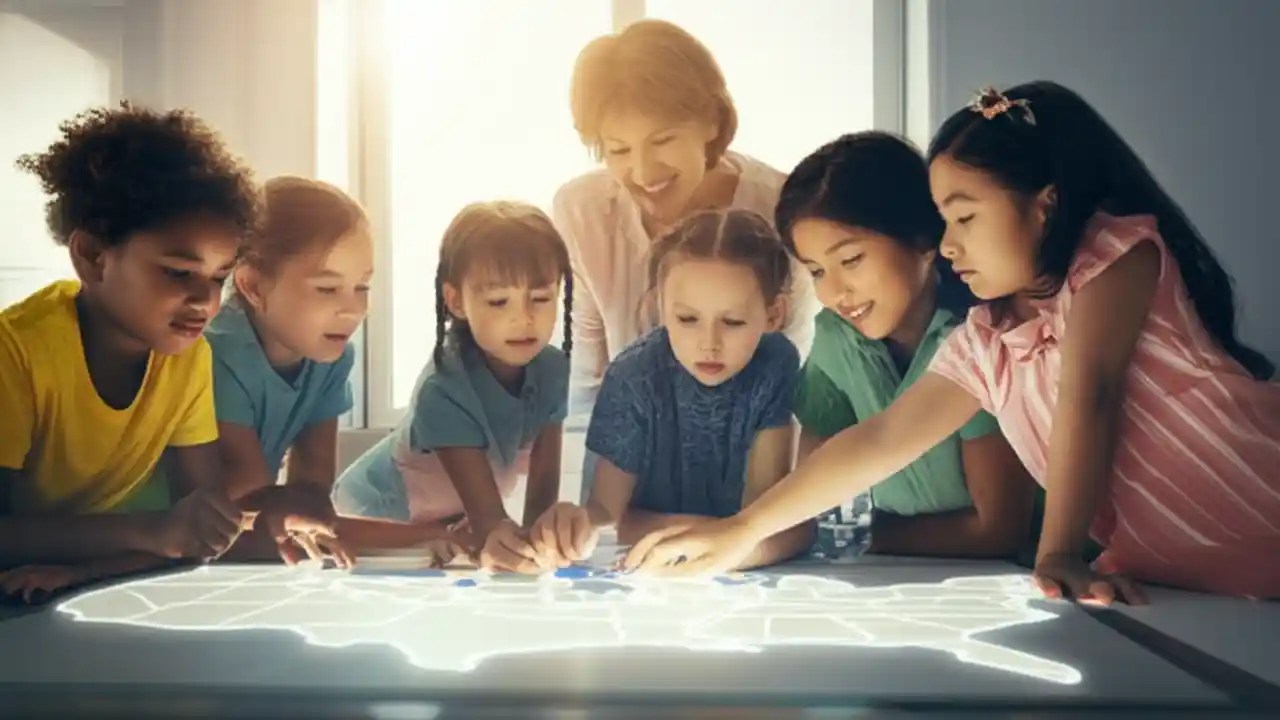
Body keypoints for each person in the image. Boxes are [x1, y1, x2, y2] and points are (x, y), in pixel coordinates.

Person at [620, 82, 1280, 604]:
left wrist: (1058, 556)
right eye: (942, 221)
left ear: (1044, 204)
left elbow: (1092, 393)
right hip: (1199, 586)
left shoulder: (1115, 256)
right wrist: (740, 531)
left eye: (963, 217)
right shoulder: (983, 343)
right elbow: (879, 440)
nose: (949, 244)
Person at [0, 104, 333, 603]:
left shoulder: (187, 358)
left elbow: (195, 526)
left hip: (69, 588)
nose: (204, 302)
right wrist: (154, 532)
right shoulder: (17, 353)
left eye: (219, 278)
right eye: (179, 272)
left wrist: (274, 506)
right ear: (92, 256)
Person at [553, 20, 819, 499]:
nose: (642, 170)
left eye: (662, 140)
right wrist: (586, 511)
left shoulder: (783, 208)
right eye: (618, 149)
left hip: (750, 476)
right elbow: (589, 381)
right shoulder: (583, 212)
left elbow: (783, 381)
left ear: (711, 122)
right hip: (636, 481)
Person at [778, 131, 1034, 559]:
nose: (836, 291)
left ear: (922, 239)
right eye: (817, 271)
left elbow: (998, 531)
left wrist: (862, 539)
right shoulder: (835, 339)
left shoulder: (982, 337)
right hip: (898, 576)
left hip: (1016, 579)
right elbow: (810, 509)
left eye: (851, 260)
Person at [530, 209, 812, 571]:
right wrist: (575, 524)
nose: (708, 343)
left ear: (774, 315)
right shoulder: (634, 375)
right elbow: (608, 515)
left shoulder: (775, 363)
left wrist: (728, 542)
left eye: (733, 322)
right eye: (687, 319)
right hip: (659, 559)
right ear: (660, 307)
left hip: (729, 556)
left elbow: (765, 513)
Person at [332, 201, 571, 573]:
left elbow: (542, 496)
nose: (523, 318)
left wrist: (546, 543)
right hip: (375, 513)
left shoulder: (553, 370)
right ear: (456, 301)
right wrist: (506, 542)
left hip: (449, 521)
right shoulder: (443, 389)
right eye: (498, 301)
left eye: (541, 298)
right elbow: (489, 519)